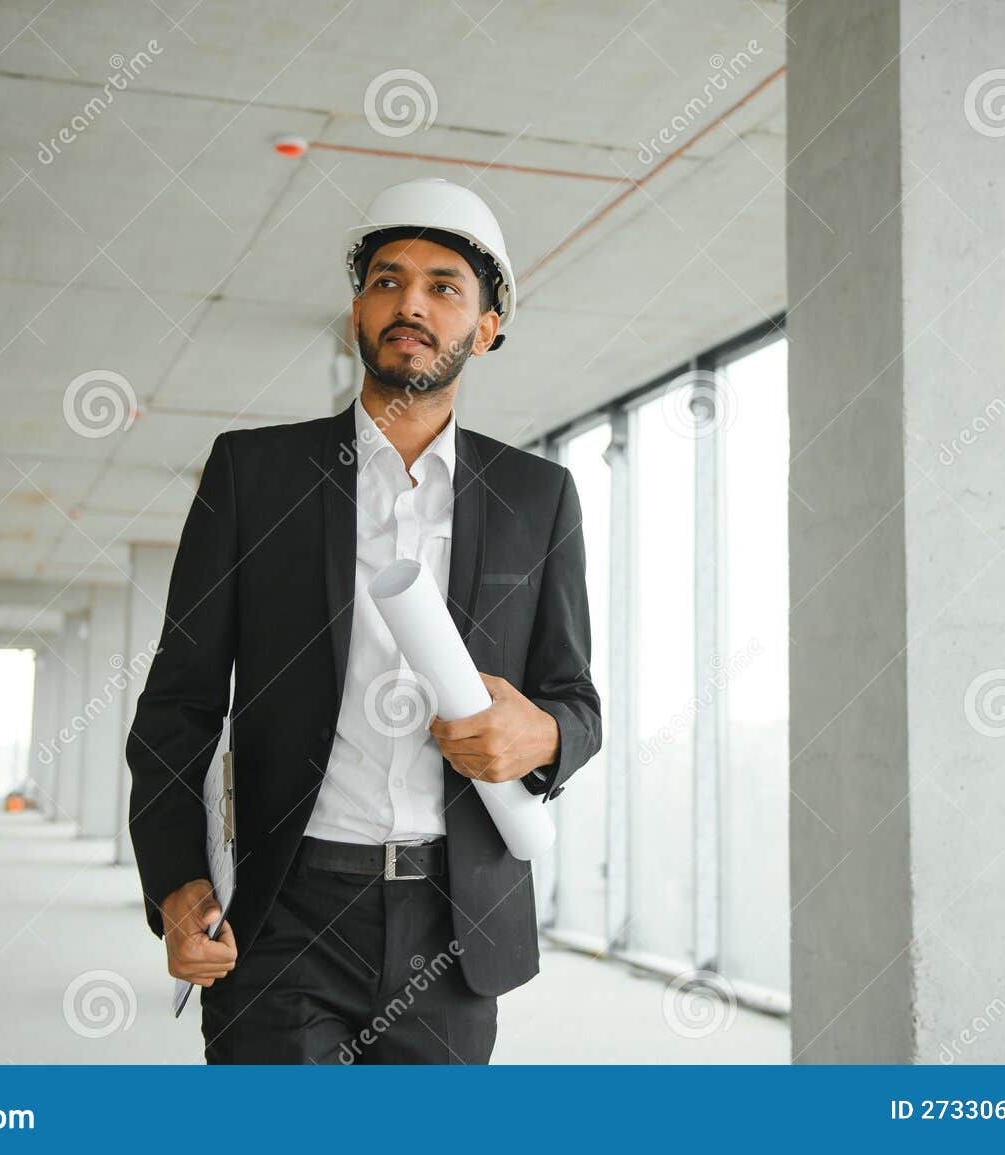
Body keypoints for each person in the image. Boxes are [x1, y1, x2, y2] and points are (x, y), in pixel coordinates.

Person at [125, 177, 601, 1064]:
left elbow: (575, 700)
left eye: (443, 286)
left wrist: (541, 735)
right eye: (387, 280)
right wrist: (177, 881)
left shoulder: (539, 498)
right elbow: (179, 703)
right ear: (356, 312)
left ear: (485, 329)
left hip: (453, 921)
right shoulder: (253, 476)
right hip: (282, 910)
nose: (410, 303)